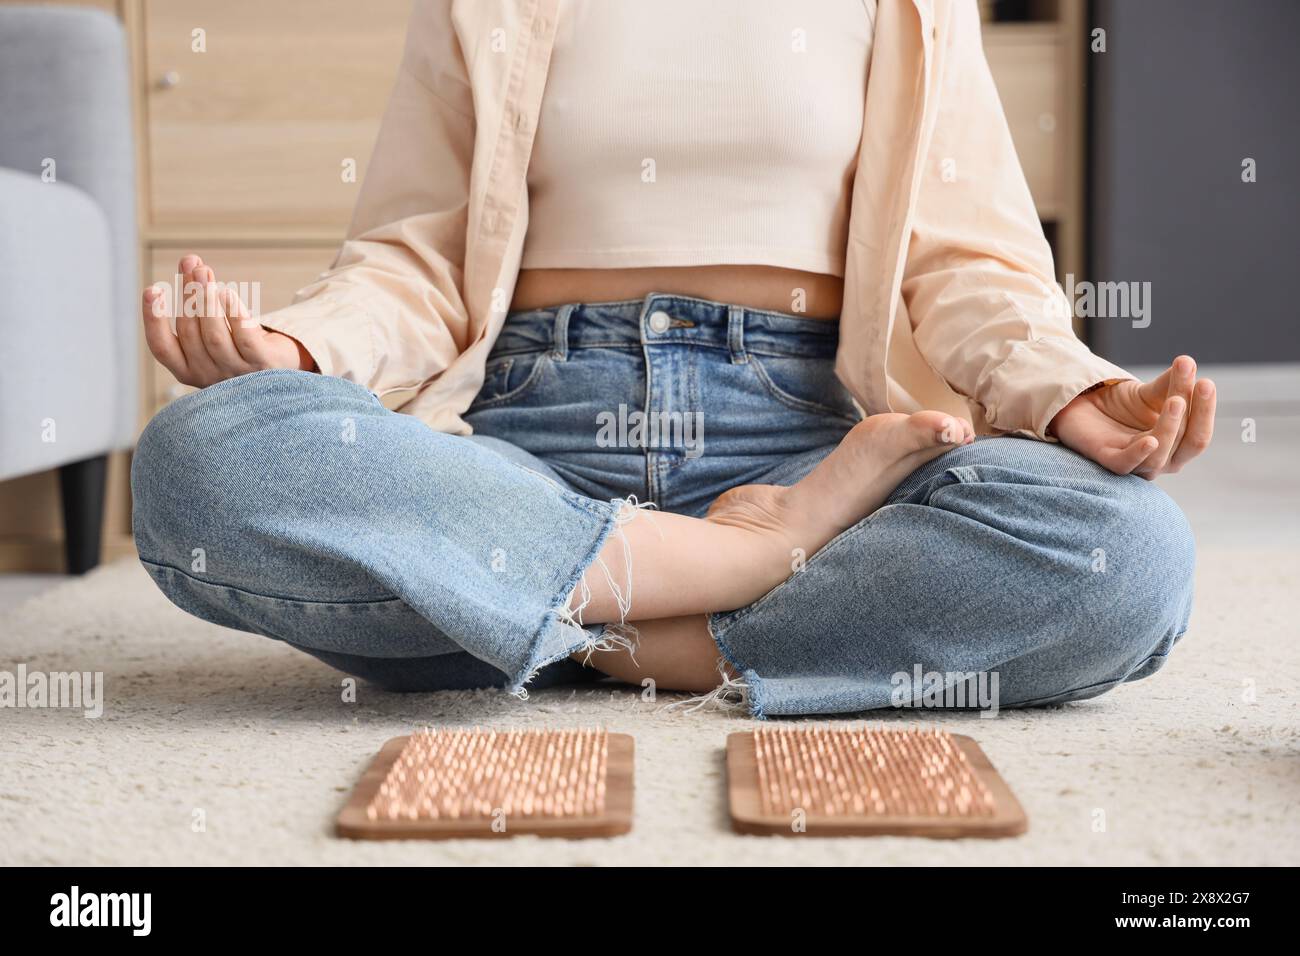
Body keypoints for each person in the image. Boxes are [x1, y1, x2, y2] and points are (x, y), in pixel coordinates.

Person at [132, 0, 1214, 717]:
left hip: (803, 447)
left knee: (1127, 553)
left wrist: (1064, 387)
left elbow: (963, 255)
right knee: (201, 457)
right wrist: (301, 345)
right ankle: (732, 583)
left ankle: (539, 616)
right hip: (524, 441)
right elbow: (416, 256)